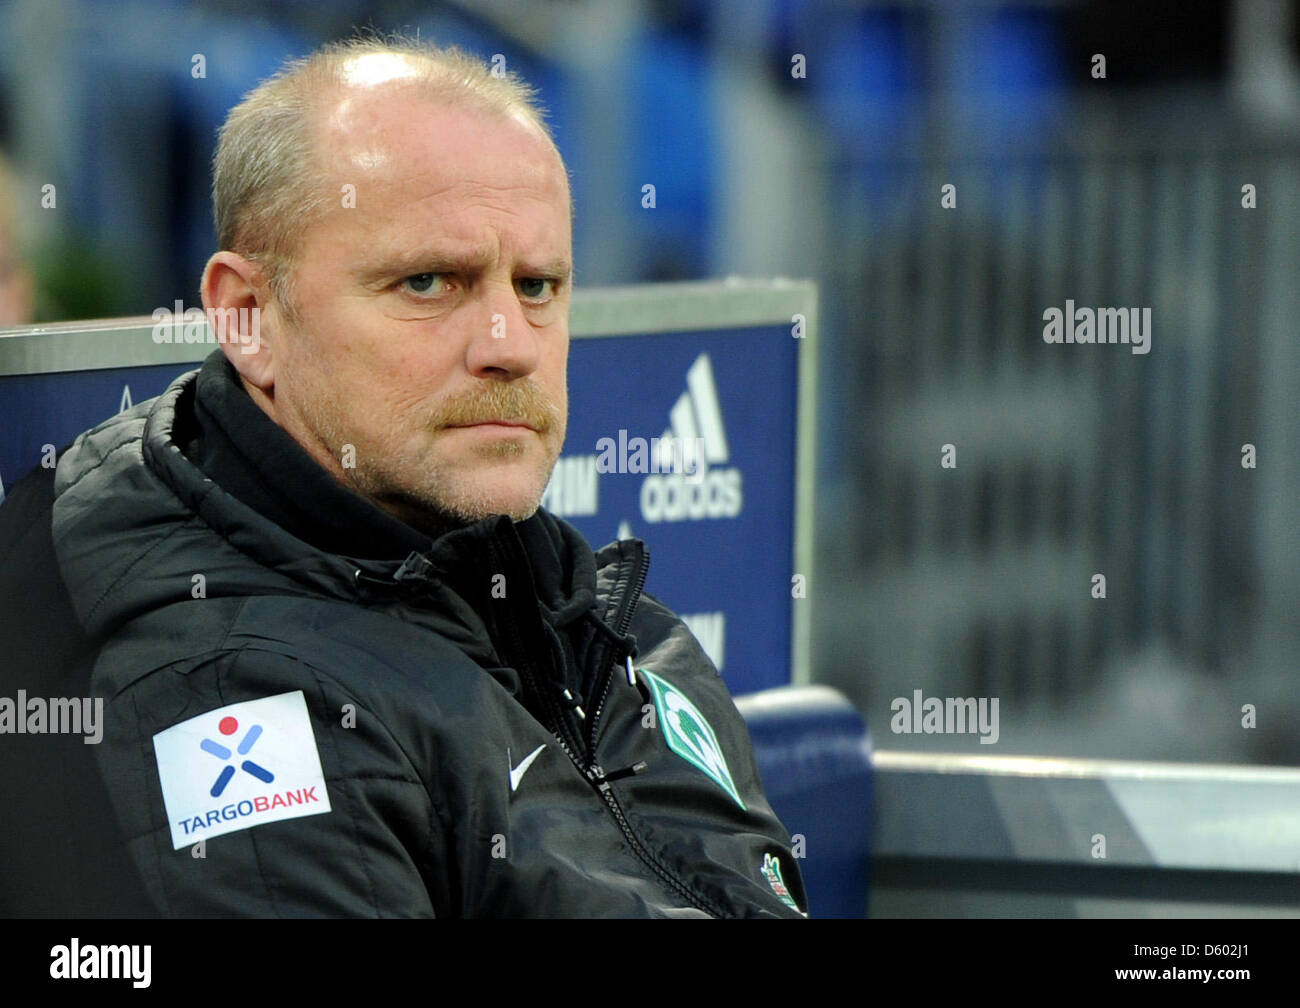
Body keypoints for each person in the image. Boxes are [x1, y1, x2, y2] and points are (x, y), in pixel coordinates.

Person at [0, 36, 808, 918]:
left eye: (537, 285)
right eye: (428, 282)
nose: (509, 344)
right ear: (248, 316)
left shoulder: (610, 627)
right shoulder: (223, 697)